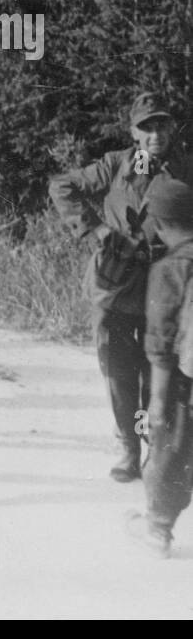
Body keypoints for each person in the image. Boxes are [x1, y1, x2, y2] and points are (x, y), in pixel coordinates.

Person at [50, 92, 193, 481]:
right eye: (146, 126)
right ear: (133, 132)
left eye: (161, 124)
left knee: (158, 368)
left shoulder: (185, 170)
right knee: (117, 369)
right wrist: (95, 229)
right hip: (115, 282)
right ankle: (128, 448)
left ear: (172, 127)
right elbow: (62, 186)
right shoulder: (116, 165)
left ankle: (152, 450)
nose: (155, 134)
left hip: (164, 284)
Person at [128, 178, 193, 557]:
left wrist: (156, 401)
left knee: (171, 452)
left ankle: (157, 529)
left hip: (186, 381)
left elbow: (161, 345)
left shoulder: (169, 269)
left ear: (160, 222)